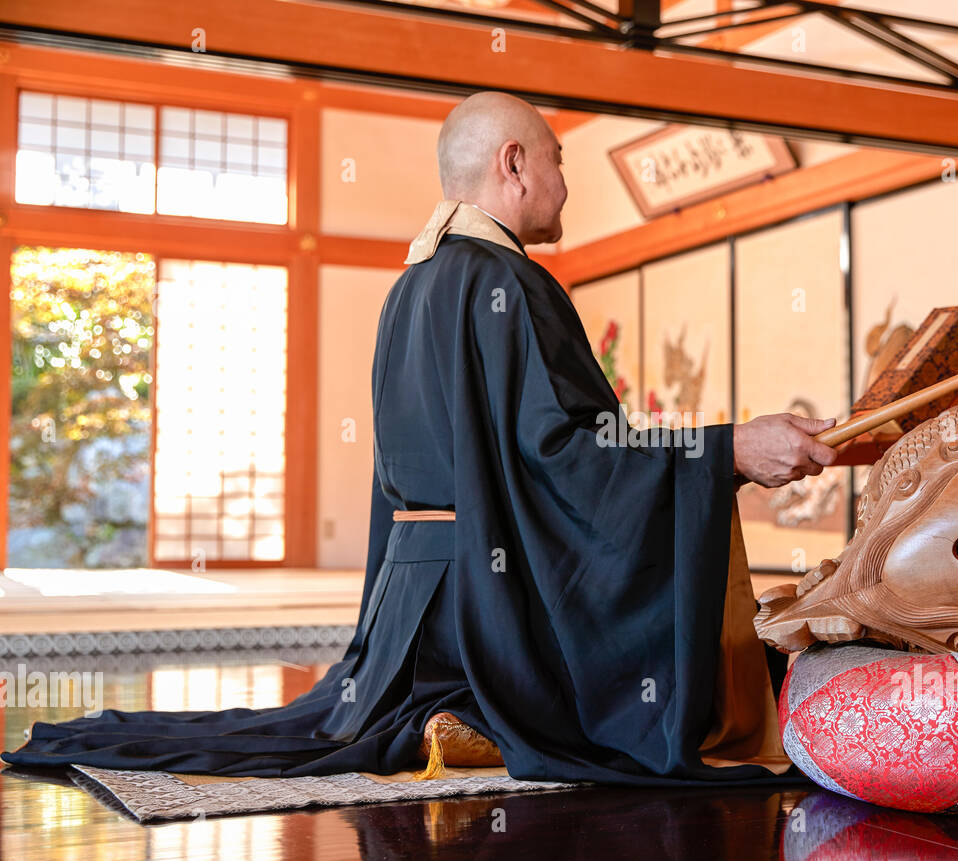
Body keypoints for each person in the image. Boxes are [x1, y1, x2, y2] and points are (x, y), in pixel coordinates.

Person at [2, 91, 837, 786]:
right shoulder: (510, 282)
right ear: (512, 163)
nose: (564, 184)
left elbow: (502, 460)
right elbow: (566, 460)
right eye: (556, 159)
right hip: (484, 607)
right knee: (683, 705)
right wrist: (722, 451)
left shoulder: (414, 286)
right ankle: (467, 718)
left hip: (413, 611)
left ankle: (448, 718)